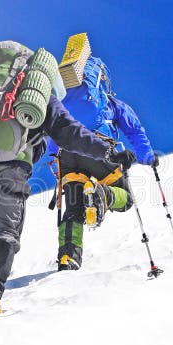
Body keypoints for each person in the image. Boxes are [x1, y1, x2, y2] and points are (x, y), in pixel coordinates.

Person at [0, 41, 136, 317]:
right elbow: (68, 132)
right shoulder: (35, 92)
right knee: (6, 232)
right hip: (13, 163)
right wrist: (107, 151)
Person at [51, 43, 157, 271]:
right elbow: (134, 130)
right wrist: (147, 156)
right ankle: (103, 194)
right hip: (100, 150)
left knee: (73, 210)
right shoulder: (110, 103)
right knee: (125, 199)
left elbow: (53, 134)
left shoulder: (62, 102)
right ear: (101, 80)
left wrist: (55, 156)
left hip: (67, 158)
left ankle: (68, 258)